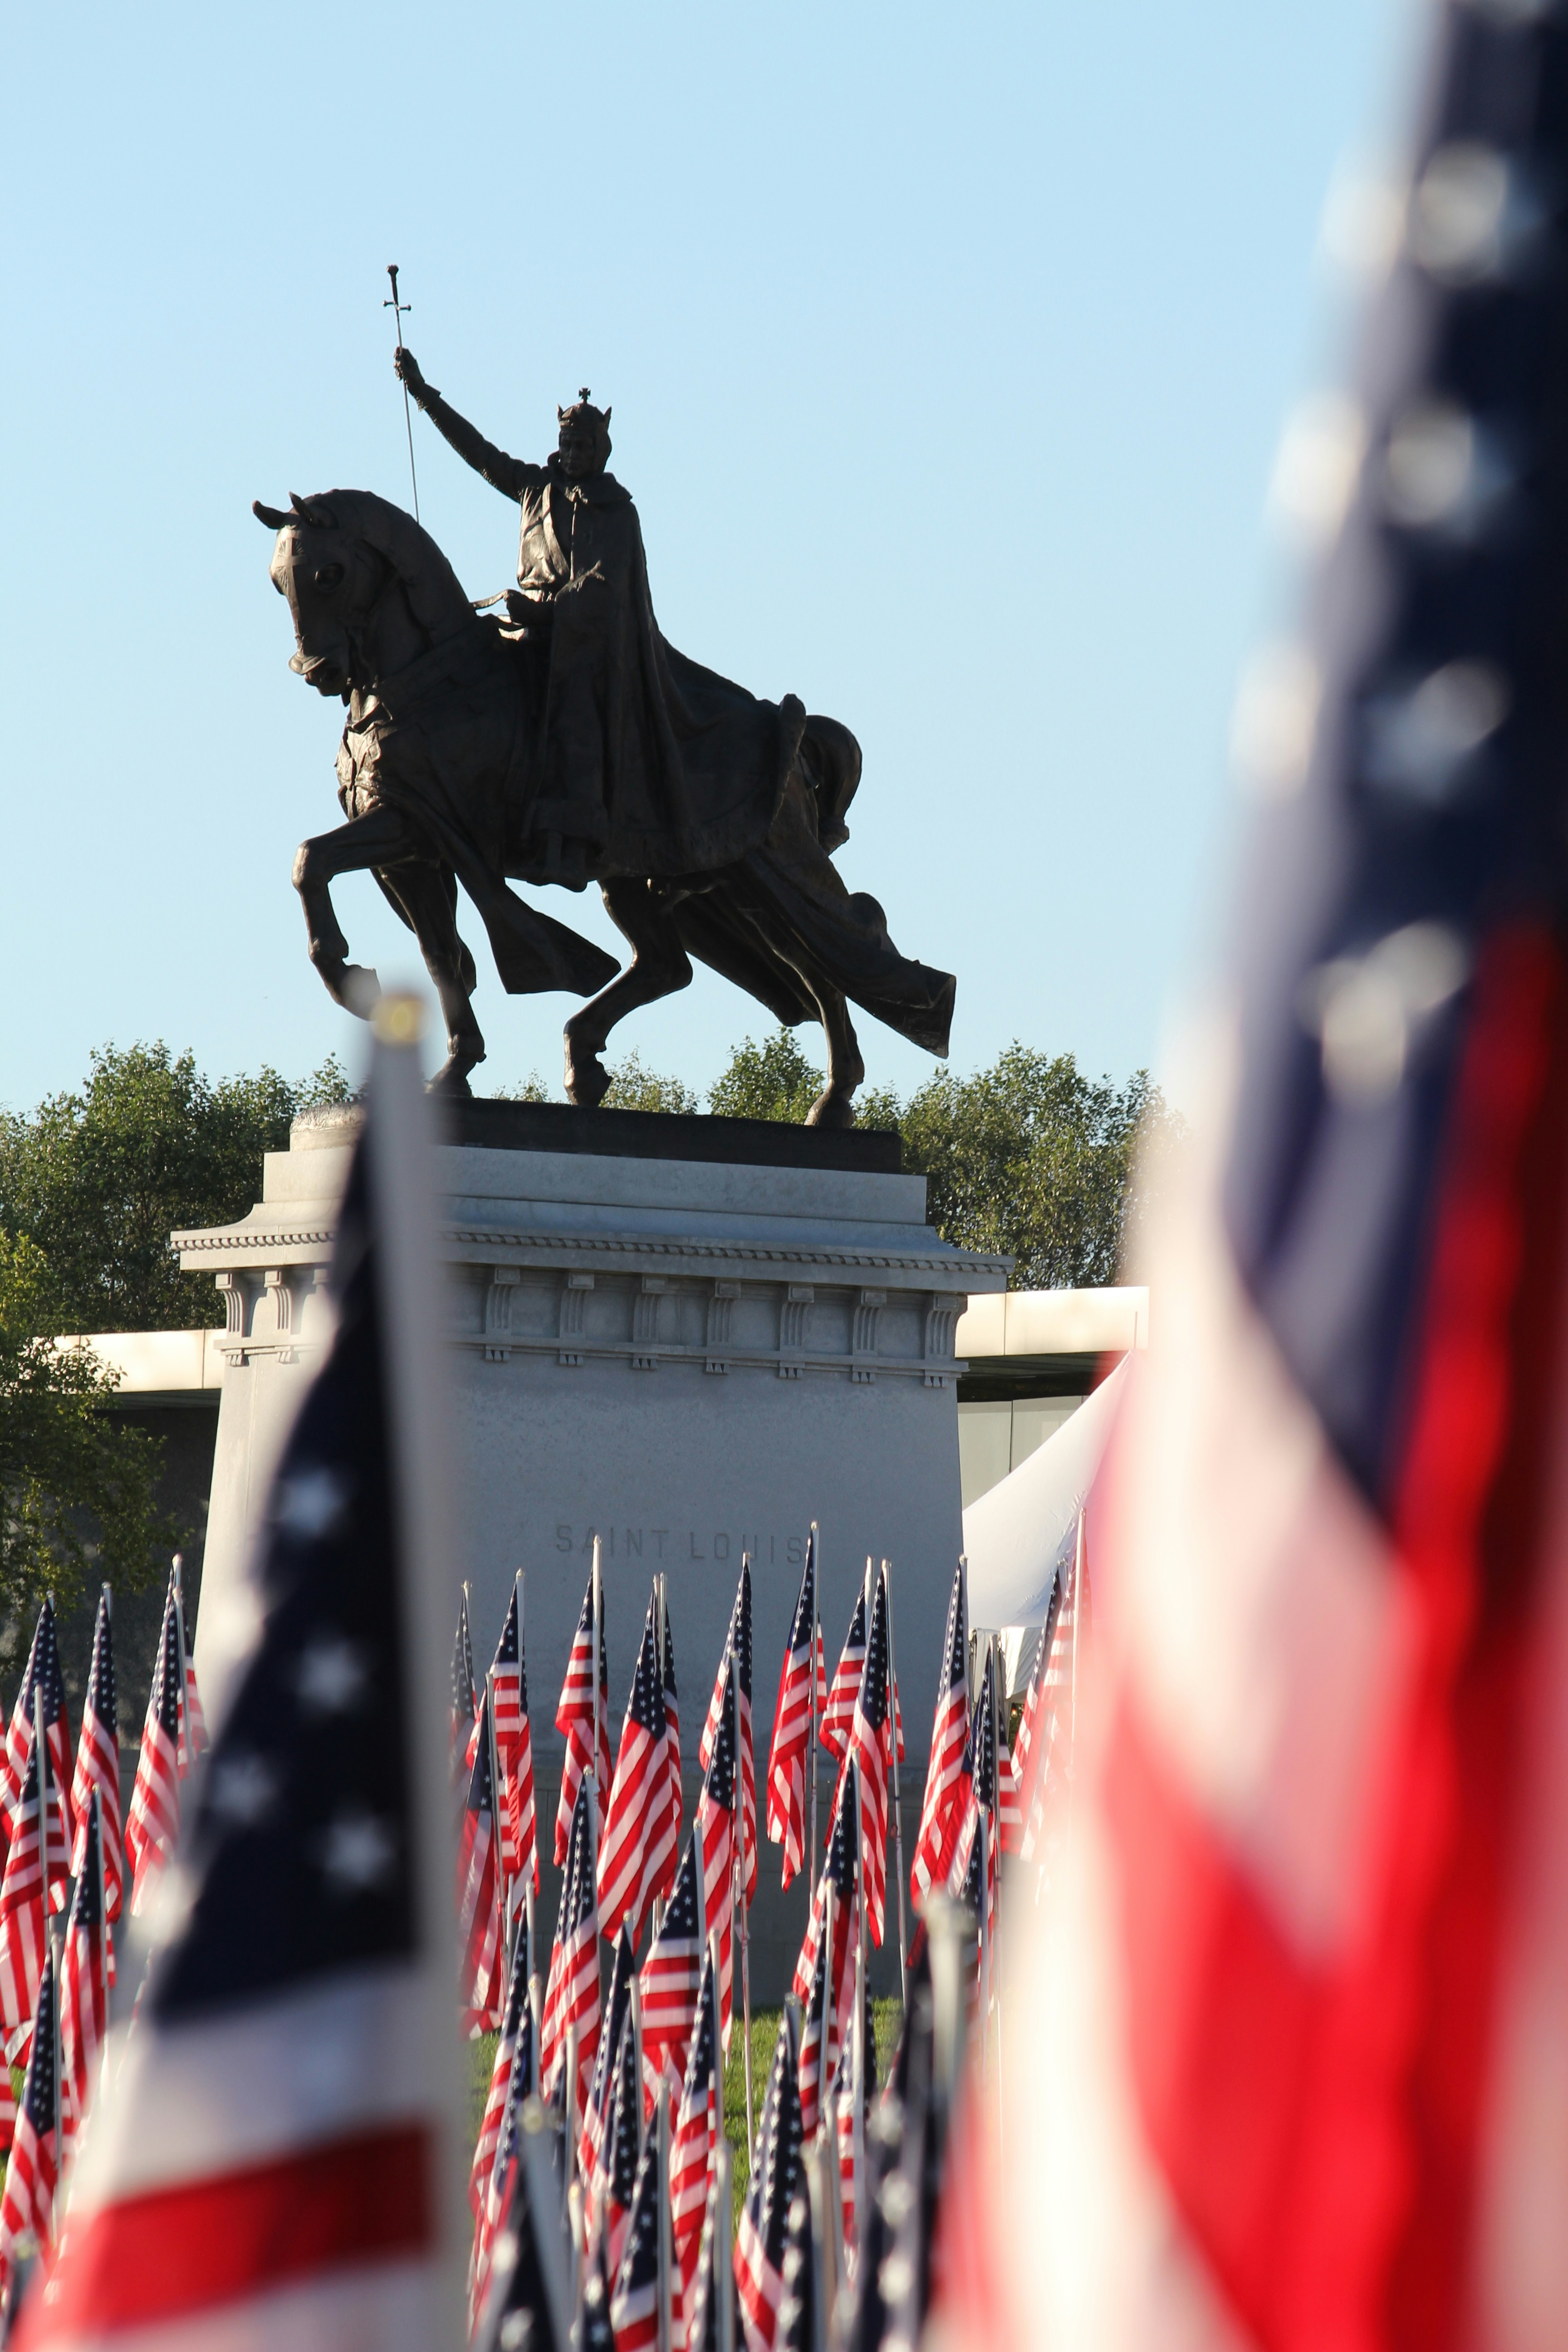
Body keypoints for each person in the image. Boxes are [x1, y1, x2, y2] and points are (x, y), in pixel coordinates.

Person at [393, 350, 785, 892]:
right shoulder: (534, 489)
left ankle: (567, 839)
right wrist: (424, 394)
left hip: (585, 646)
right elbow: (480, 454)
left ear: (601, 451)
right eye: (568, 444)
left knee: (576, 708)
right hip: (524, 631)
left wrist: (546, 610)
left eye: (584, 446)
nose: (574, 453)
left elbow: (602, 586)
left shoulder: (618, 511)